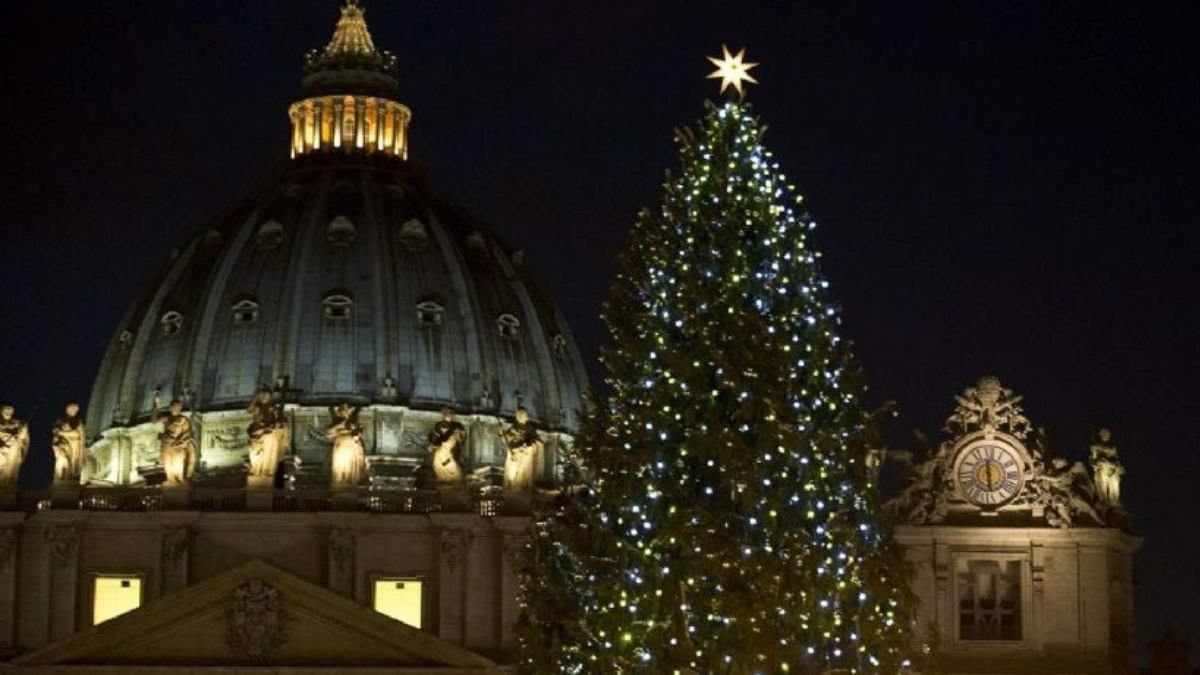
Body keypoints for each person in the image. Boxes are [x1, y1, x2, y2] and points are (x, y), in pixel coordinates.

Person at [246, 388, 289, 478]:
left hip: (270, 435)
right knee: (256, 454)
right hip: (258, 434)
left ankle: (267, 470)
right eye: (262, 396)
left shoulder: (274, 409)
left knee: (271, 444)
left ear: (270, 398)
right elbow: (249, 410)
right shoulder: (257, 407)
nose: (264, 398)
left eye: (266, 396)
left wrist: (279, 424)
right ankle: (257, 469)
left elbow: (282, 421)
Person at [155, 398, 197, 485]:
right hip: (167, 444)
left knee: (178, 466)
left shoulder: (183, 419)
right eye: (172, 406)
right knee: (167, 464)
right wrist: (156, 404)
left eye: (175, 406)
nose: (173, 408)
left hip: (177, 446)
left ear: (179, 408)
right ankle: (170, 480)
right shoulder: (167, 418)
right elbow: (154, 420)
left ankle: (179, 481)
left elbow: (187, 432)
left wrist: (180, 442)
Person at [498, 407, 541, 491]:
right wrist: (501, 435)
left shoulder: (530, 430)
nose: (522, 417)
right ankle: (513, 487)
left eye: (523, 415)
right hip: (514, 455)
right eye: (520, 415)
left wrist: (531, 445)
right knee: (514, 476)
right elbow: (506, 438)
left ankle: (523, 486)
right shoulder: (513, 429)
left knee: (524, 475)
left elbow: (537, 441)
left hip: (526, 456)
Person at [326, 403, 365, 486]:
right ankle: (340, 481)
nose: (345, 413)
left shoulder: (353, 422)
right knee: (340, 465)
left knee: (350, 466)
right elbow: (329, 432)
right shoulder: (337, 422)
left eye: (347, 411)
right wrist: (339, 426)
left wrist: (356, 434)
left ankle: (350, 480)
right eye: (343, 411)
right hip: (341, 446)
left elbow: (359, 432)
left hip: (351, 447)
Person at [426, 407, 465, 483]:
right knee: (439, 463)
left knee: (452, 464)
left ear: (453, 415)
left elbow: (461, 439)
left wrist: (457, 435)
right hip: (441, 448)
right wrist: (431, 444)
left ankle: (454, 478)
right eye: (446, 413)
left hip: (452, 448)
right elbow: (435, 436)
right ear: (443, 414)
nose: (448, 415)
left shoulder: (457, 425)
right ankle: (442, 478)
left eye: (450, 413)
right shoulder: (439, 424)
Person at [51, 403, 86, 482]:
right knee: (62, 461)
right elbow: (55, 433)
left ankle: (70, 477)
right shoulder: (59, 421)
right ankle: (60, 479)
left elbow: (78, 434)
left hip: (74, 447)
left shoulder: (78, 423)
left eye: (75, 410)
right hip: (63, 446)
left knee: (72, 463)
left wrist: (62, 433)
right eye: (72, 409)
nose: (73, 411)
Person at [0, 405, 29, 487]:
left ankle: (8, 485)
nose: (8, 412)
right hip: (1, 449)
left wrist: (23, 429)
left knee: (11, 469)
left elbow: (23, 437)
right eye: (6, 409)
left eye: (10, 410)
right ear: (1, 411)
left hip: (13, 449)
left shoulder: (18, 423)